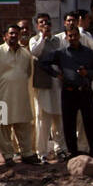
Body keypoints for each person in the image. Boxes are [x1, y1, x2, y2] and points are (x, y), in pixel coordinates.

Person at [41, 26, 93, 159]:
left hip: (85, 91)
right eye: (70, 36)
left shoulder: (88, 52)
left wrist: (87, 73)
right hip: (69, 92)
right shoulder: (61, 53)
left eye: (75, 35)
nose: (73, 38)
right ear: (67, 37)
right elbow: (43, 62)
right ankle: (72, 152)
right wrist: (56, 74)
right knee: (69, 124)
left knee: (91, 122)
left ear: (79, 36)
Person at [0, 25, 39, 165]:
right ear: (5, 36)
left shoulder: (26, 54)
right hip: (2, 97)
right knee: (3, 128)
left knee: (24, 126)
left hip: (21, 97)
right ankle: (8, 156)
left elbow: (27, 73)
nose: (14, 36)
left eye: (16, 33)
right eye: (11, 34)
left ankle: (27, 153)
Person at [28, 13, 65, 160]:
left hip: (58, 83)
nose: (45, 25)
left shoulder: (58, 40)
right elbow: (35, 52)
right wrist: (43, 37)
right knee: (43, 119)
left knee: (59, 118)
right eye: (42, 23)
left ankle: (60, 148)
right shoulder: (35, 40)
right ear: (37, 25)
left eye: (47, 23)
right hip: (43, 83)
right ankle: (41, 152)